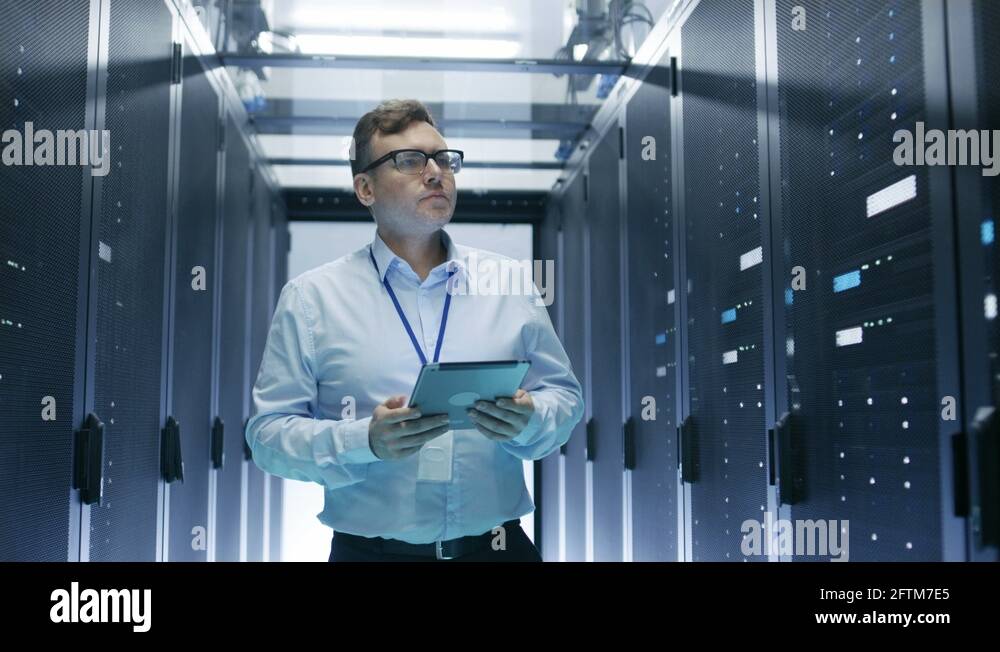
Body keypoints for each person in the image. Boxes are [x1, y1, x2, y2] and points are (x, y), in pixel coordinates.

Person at [245, 99, 584, 562]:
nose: (435, 172)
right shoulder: (312, 299)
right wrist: (363, 441)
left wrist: (530, 421)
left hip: (498, 549)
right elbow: (268, 436)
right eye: (409, 160)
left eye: (444, 159)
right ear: (365, 188)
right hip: (371, 555)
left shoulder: (509, 284)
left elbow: (564, 398)